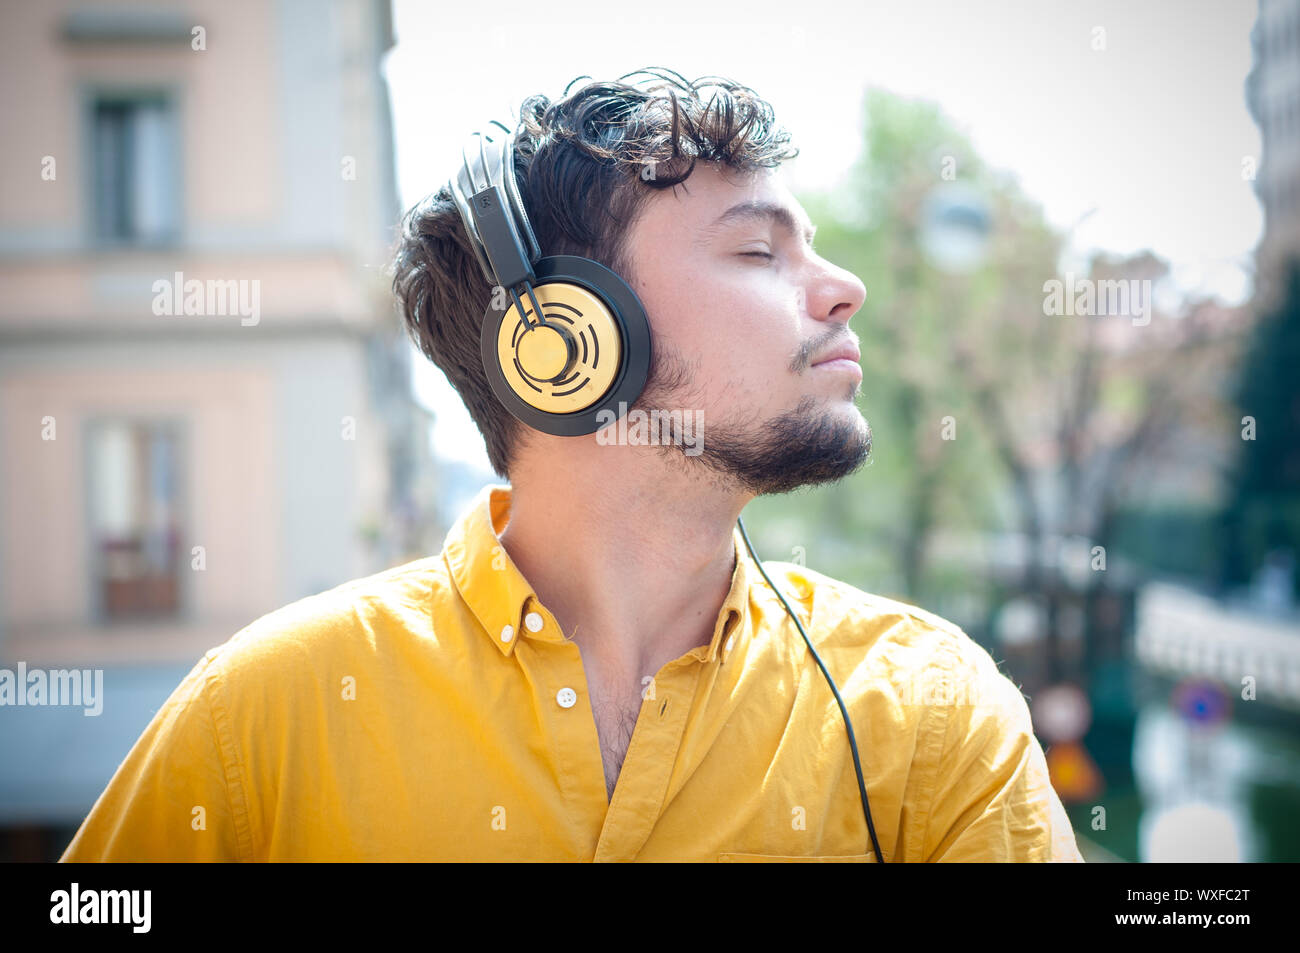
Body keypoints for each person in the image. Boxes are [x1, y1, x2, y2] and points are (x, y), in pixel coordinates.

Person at [61, 68, 1083, 862]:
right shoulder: (261, 714)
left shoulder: (932, 709)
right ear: (565, 340)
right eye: (756, 252)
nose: (842, 286)